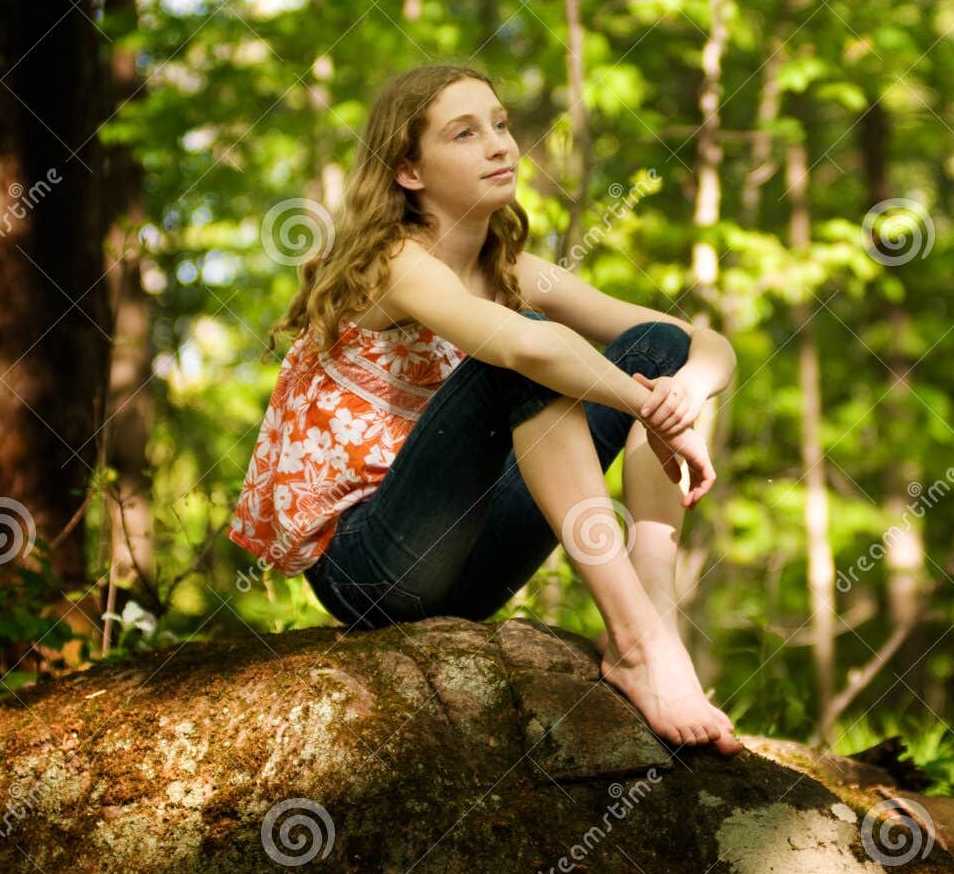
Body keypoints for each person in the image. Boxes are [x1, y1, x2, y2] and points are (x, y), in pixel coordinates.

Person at [229, 63, 740, 754]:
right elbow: (527, 349)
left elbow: (696, 341)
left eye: (501, 124)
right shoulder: (394, 262)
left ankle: (656, 624)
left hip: (469, 568)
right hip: (370, 564)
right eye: (465, 133)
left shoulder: (518, 272)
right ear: (408, 169)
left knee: (653, 346)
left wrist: (689, 388)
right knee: (524, 358)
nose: (501, 145)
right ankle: (634, 637)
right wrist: (650, 407)